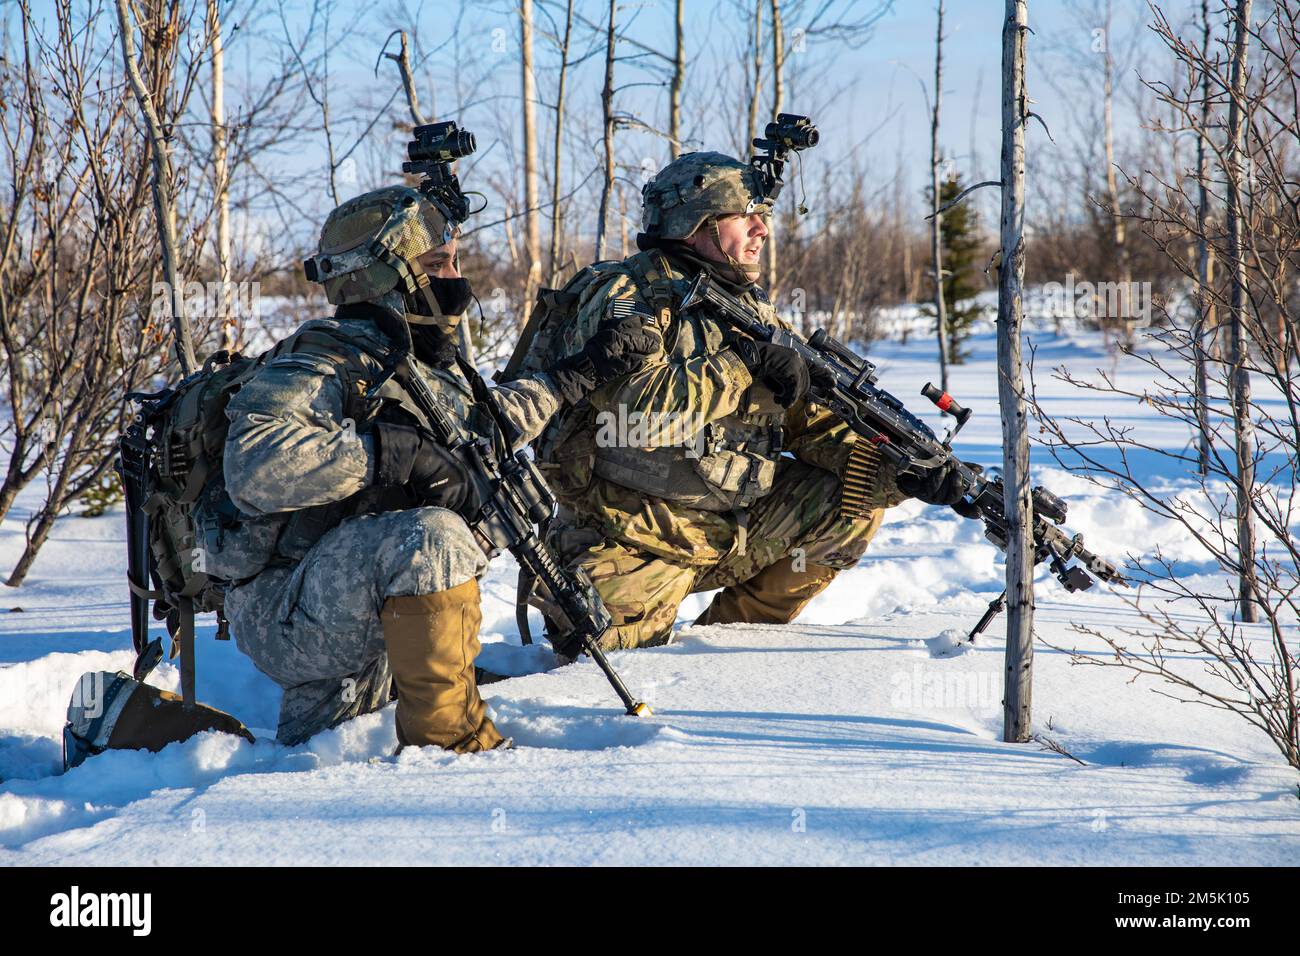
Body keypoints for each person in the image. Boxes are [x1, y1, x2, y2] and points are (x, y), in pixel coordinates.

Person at [212, 185, 659, 751]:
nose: (453, 277)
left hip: (350, 595)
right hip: (285, 610)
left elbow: (480, 432)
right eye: (435, 264)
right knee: (435, 538)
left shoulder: (416, 363)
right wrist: (389, 453)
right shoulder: (322, 361)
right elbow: (255, 464)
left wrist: (574, 375)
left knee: (335, 731)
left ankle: (403, 700)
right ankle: (453, 747)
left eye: (452, 261)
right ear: (390, 278)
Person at [527, 152, 967, 652]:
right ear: (695, 224)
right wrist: (741, 369)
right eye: (743, 216)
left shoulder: (749, 308)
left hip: (728, 529)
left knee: (856, 497)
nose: (762, 229)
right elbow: (633, 415)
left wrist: (900, 470)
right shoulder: (627, 293)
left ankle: (725, 648)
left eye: (763, 216)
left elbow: (811, 421)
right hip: (629, 535)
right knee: (596, 658)